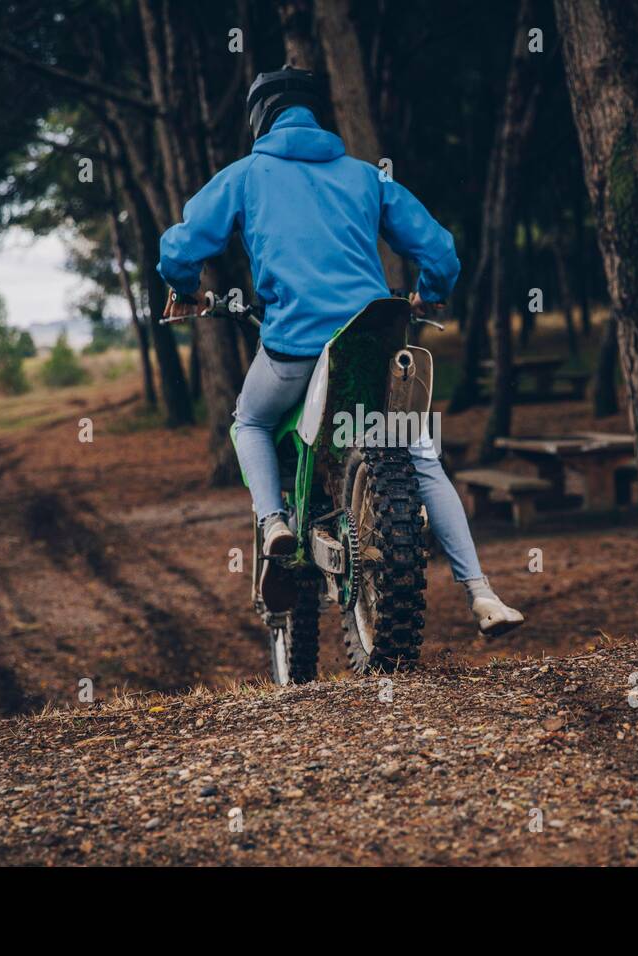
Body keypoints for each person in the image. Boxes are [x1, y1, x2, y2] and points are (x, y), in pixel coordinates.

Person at [158, 66, 523, 638]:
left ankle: (274, 522)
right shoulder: (365, 177)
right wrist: (430, 294)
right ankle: (482, 593)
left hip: (293, 346)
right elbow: (441, 249)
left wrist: (184, 289)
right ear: (316, 112)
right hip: (371, 342)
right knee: (421, 458)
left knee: (249, 421)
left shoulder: (247, 175)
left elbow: (180, 244)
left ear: (261, 116)